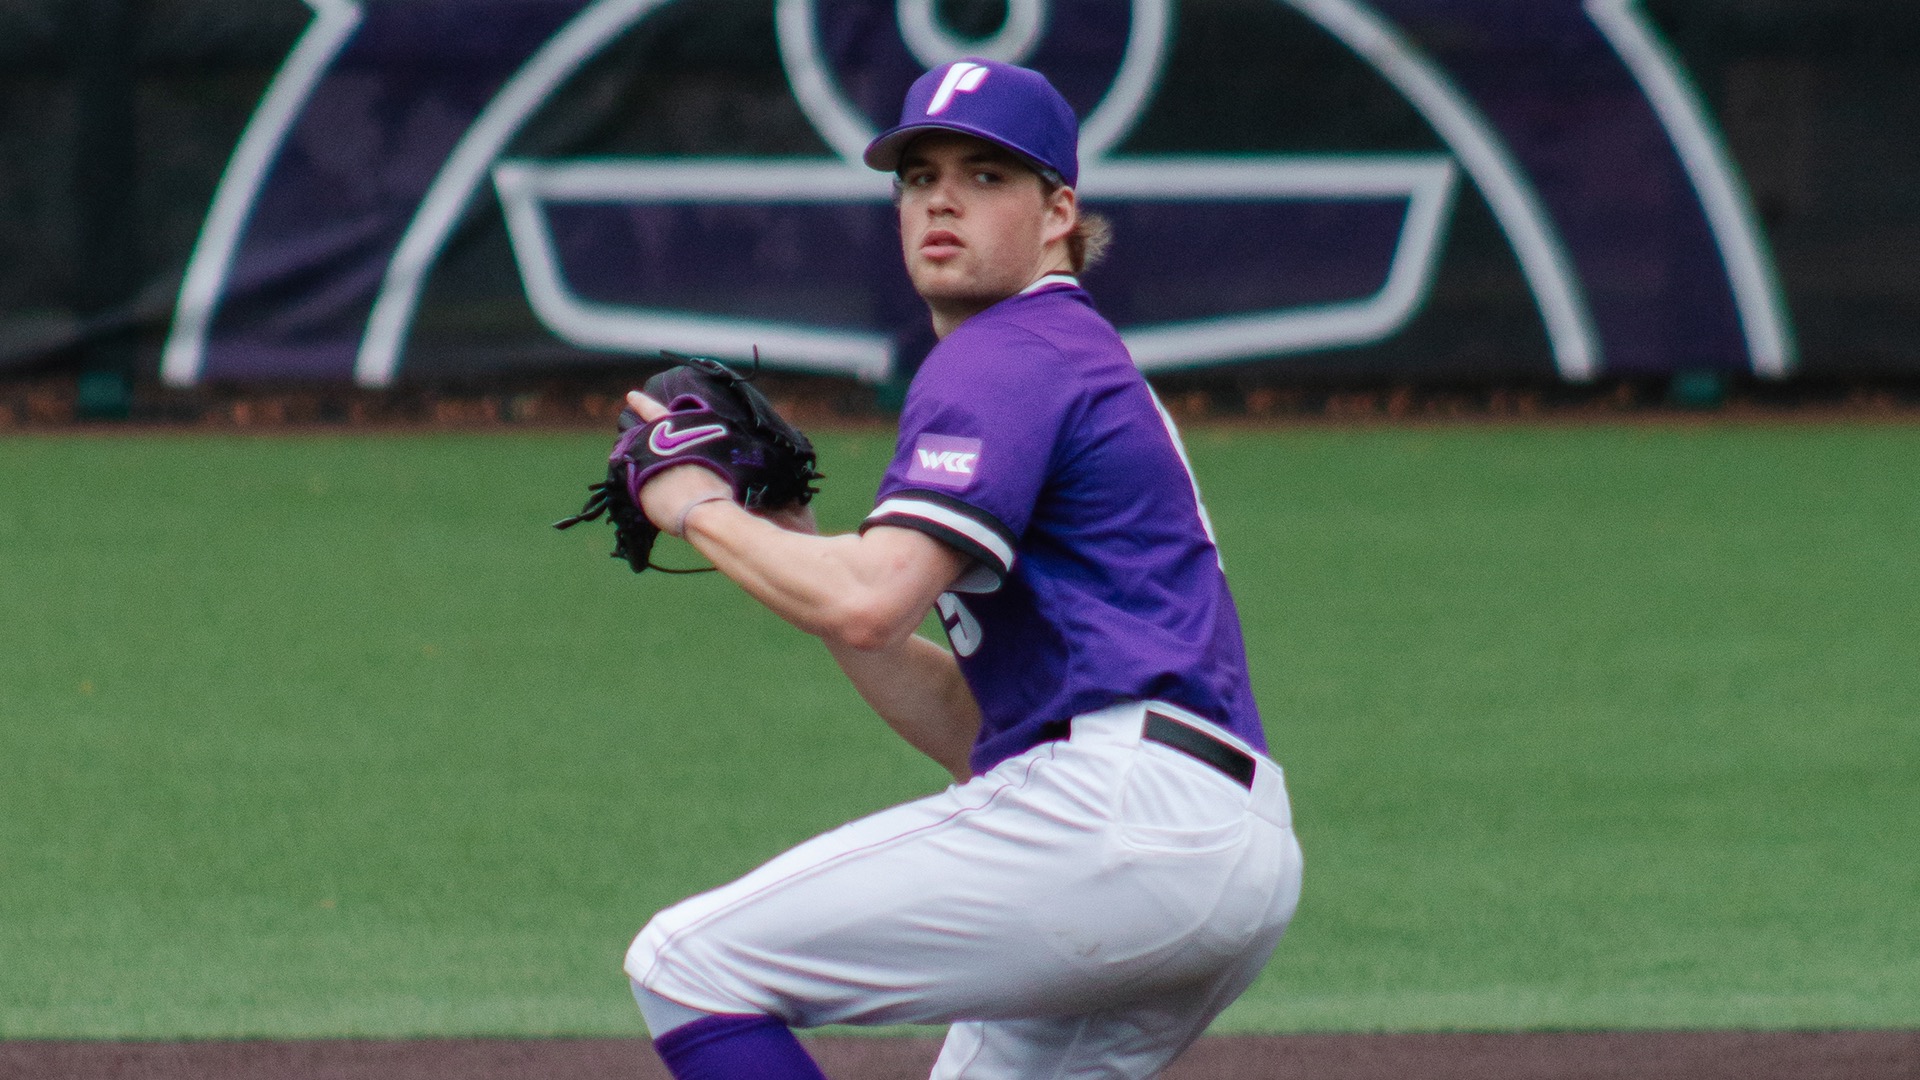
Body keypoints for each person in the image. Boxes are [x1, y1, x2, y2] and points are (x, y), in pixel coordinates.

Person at [619, 59, 1303, 1080]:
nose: (942, 197)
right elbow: (970, 730)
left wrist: (693, 508)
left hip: (1117, 819)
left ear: (1058, 210)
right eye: (918, 174)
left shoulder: (1007, 353)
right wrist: (797, 539)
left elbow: (868, 600)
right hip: (1210, 841)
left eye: (988, 175)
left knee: (688, 964)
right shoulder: (1065, 355)